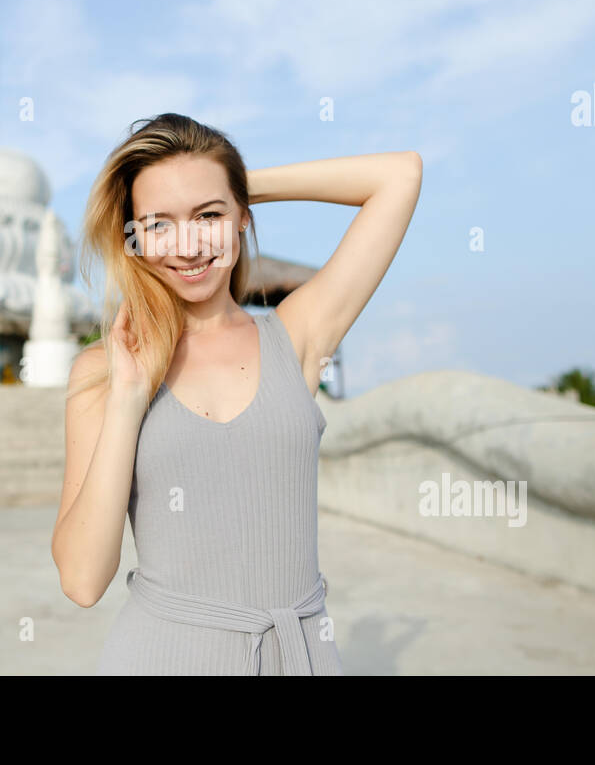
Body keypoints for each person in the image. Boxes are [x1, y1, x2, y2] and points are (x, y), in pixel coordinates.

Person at [51, 113, 422, 675]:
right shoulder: (103, 372)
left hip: (299, 657)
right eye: (158, 224)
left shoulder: (296, 338)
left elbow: (399, 176)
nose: (189, 244)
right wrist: (129, 396)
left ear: (242, 218)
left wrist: (237, 182)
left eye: (209, 216)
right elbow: (81, 581)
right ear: (132, 239)